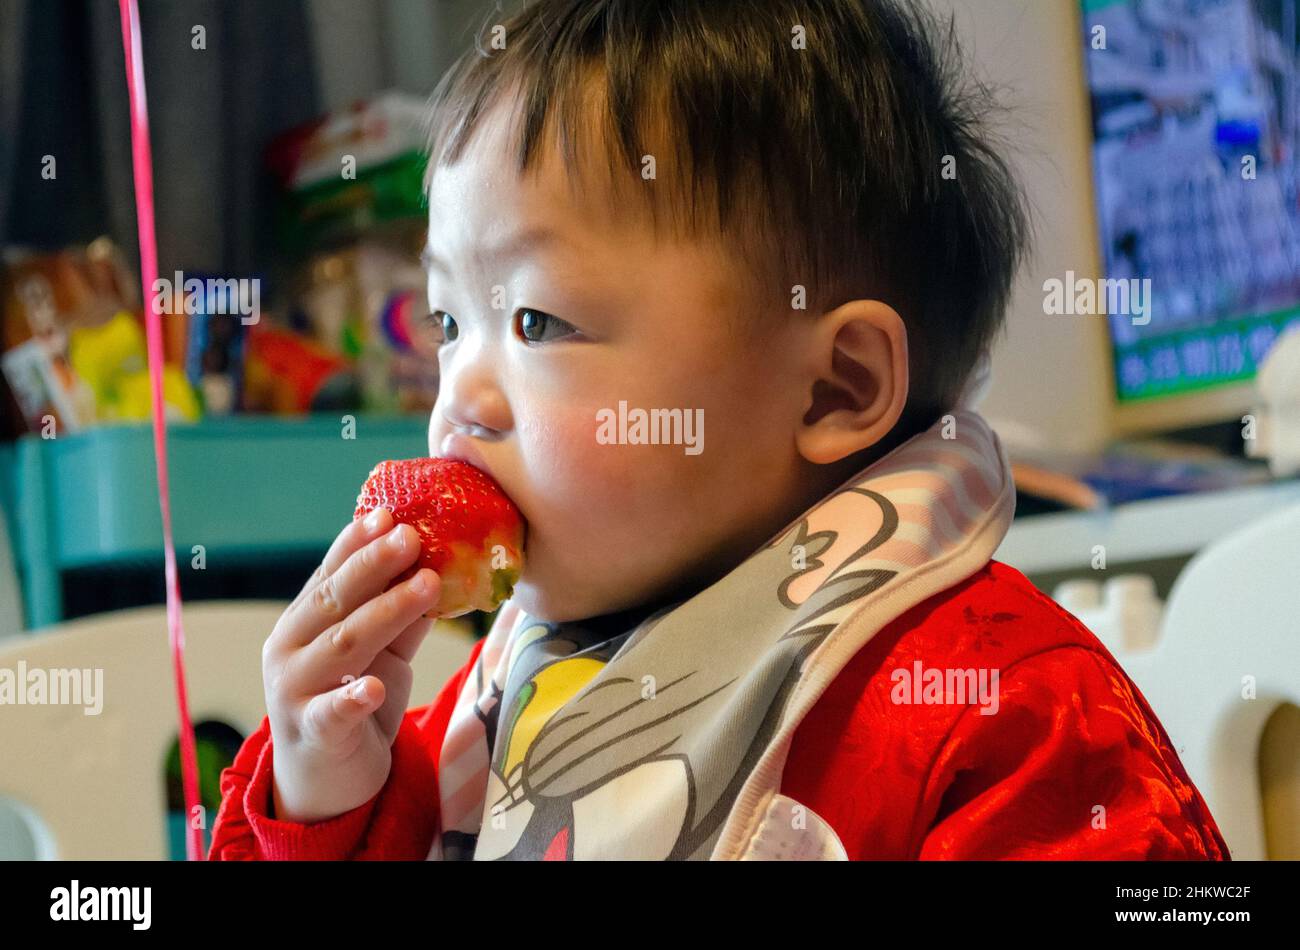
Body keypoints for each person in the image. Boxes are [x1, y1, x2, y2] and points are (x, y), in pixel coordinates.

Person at [209, 0, 1228, 860]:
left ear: (832, 388)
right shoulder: (487, 717)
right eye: (447, 322)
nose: (460, 395)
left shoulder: (1001, 715)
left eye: (538, 320)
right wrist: (328, 795)